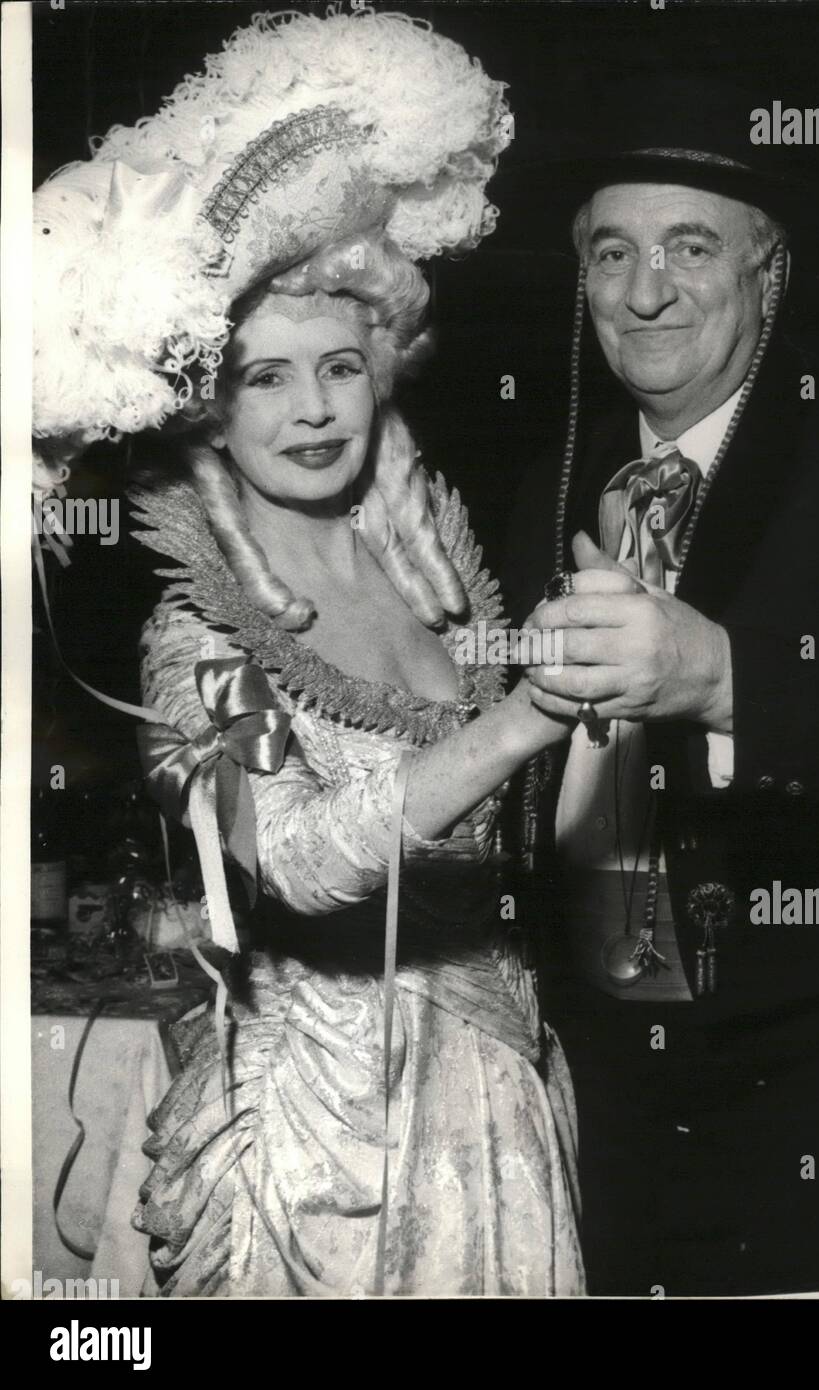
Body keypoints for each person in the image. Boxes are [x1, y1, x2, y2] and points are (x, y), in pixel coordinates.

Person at [32, 9, 582, 1297]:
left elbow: (522, 844)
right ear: (208, 414)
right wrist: (522, 720)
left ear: (384, 368)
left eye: (339, 364)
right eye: (265, 378)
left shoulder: (438, 580)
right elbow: (290, 857)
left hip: (493, 1102)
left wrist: (595, 691)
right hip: (320, 1156)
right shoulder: (198, 637)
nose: (314, 407)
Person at [500, 84, 819, 1296]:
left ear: (765, 275)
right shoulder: (552, 484)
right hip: (606, 1051)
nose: (644, 292)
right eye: (611, 252)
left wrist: (723, 676)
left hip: (818, 1040)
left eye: (690, 248)